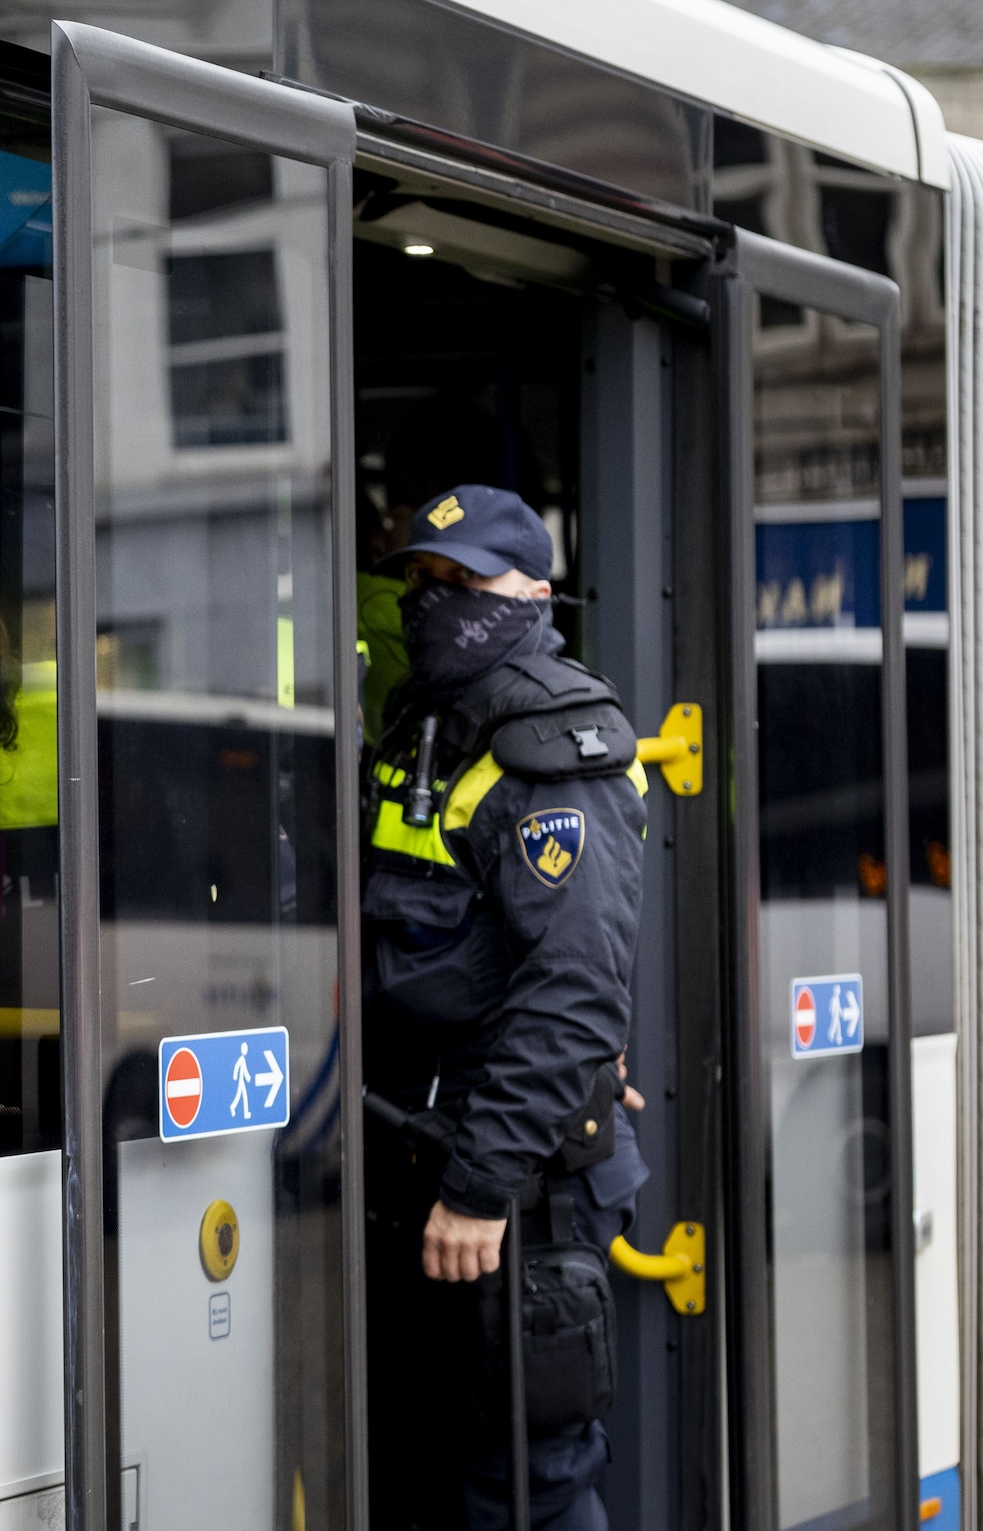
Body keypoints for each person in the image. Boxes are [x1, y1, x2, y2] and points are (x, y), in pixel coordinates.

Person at [359, 483, 649, 1531]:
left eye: (460, 582)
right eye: (421, 582)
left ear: (530, 590)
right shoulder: (423, 727)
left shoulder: (548, 745)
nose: (431, 601)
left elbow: (572, 991)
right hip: (421, 1162)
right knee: (431, 1478)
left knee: (522, 1488)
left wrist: (481, 1190)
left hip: (514, 1200)